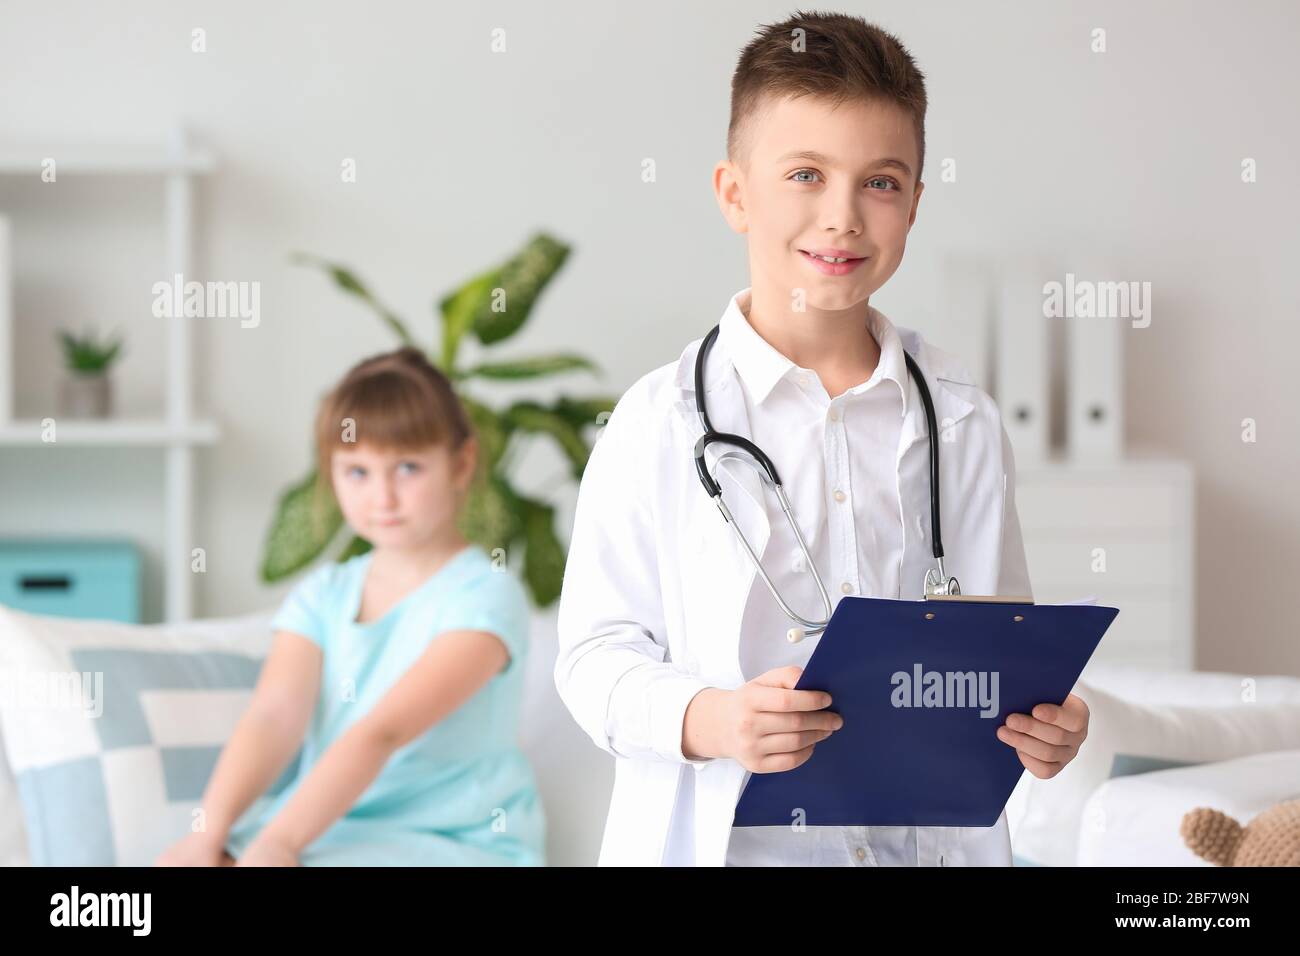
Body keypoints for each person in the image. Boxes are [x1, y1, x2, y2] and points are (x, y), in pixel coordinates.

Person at [554, 12, 1089, 867]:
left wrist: (1043, 720)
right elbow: (592, 662)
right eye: (805, 173)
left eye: (880, 182)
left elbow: (995, 642)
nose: (842, 217)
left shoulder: (961, 420)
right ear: (735, 193)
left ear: (915, 200)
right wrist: (712, 719)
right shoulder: (657, 423)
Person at [156, 346, 545, 866]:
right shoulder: (324, 593)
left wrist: (279, 843)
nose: (382, 496)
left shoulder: (484, 595)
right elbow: (273, 717)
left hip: (454, 841)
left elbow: (383, 732)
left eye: (407, 467)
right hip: (331, 826)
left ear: (462, 464)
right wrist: (207, 836)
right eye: (357, 472)